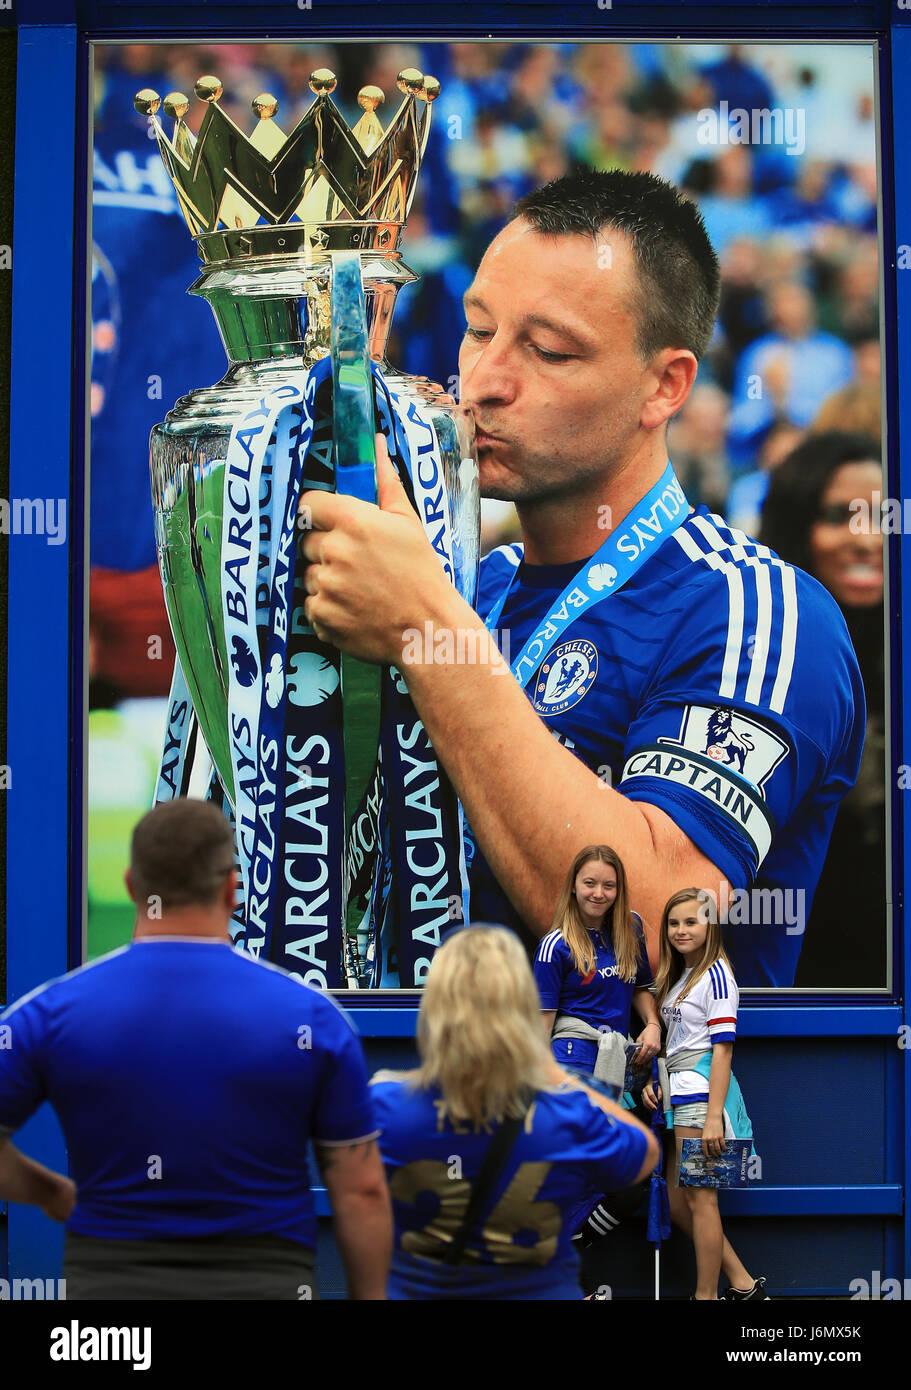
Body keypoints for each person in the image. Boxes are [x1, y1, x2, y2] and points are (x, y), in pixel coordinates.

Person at [298, 166, 865, 987]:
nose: (483, 381)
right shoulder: (472, 585)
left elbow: (660, 931)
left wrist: (426, 627)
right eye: (477, 330)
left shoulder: (754, 610)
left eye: (548, 350)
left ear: (663, 386)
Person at [0, 798, 391, 1300]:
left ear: (131, 887)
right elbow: (362, 1193)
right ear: (232, 888)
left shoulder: (52, 1013)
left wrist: (53, 1194)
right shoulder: (313, 1018)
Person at [370, 925, 659, 1300]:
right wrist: (551, 1069)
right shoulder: (565, 1109)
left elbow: (359, 1204)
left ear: (435, 1005)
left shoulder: (385, 1102)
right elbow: (644, 1152)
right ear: (519, 1006)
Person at [759, 431, 885, 986]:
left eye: (883, 516)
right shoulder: (757, 655)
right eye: (839, 515)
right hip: (795, 995)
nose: (867, 539)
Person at [643, 887, 768, 1301]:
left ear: (710, 926)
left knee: (702, 1200)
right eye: (674, 923)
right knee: (682, 1204)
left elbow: (723, 1049)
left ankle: (705, 1297)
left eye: (690, 922)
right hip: (678, 1094)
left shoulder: (717, 973)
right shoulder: (680, 975)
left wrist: (714, 1115)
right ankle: (744, 1285)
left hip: (700, 1095)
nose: (680, 930)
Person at [534, 843, 661, 1247]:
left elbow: (641, 988)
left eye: (608, 885)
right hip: (571, 1063)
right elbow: (542, 1026)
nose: (598, 893)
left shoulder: (631, 929)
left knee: (626, 1182)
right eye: (589, 883)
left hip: (618, 1066)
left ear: (619, 890)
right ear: (573, 886)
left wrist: (654, 1024)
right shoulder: (556, 945)